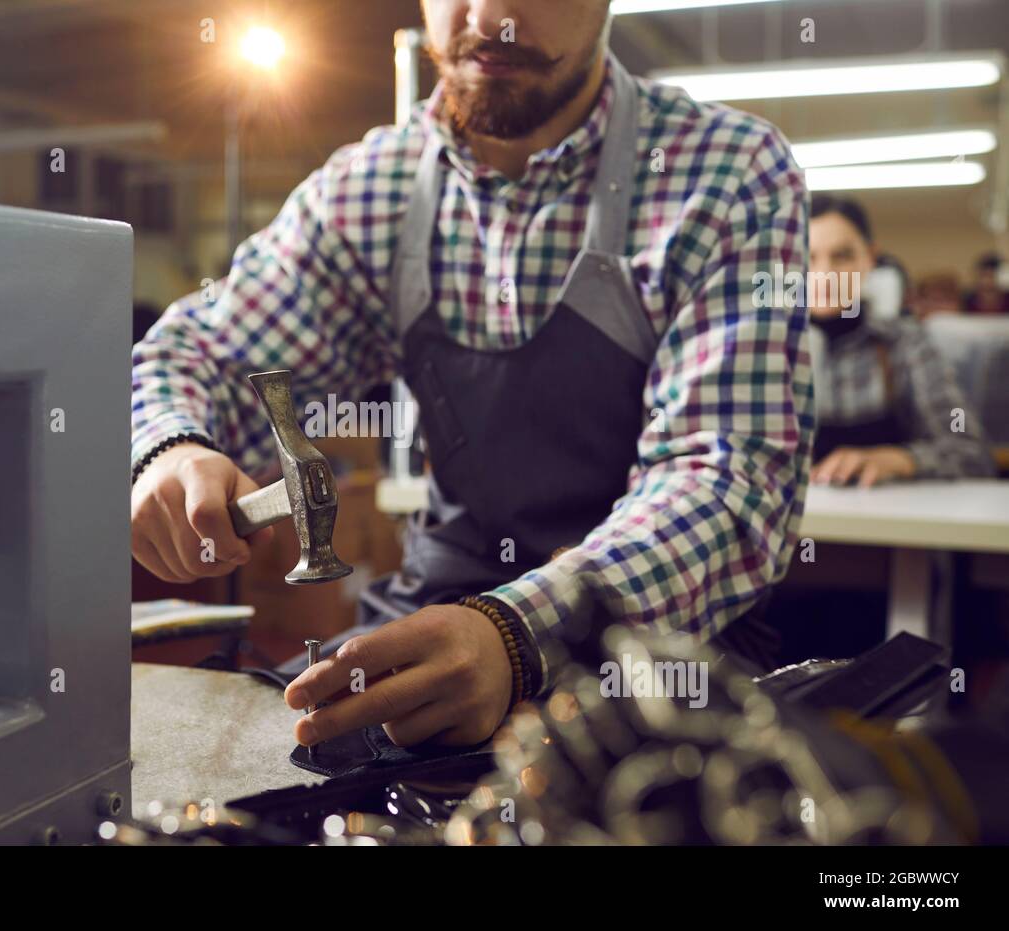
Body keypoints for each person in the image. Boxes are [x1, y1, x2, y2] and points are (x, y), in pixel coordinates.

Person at [131, 0, 814, 749]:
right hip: (434, 607)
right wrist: (170, 447)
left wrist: (514, 635)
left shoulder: (726, 174)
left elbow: (728, 484)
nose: (490, 16)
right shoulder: (372, 188)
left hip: (659, 657)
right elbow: (199, 355)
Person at [806, 194, 995, 486]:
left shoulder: (907, 343)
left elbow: (969, 450)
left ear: (870, 257)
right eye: (807, 257)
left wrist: (901, 459)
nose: (824, 274)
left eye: (842, 255)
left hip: (885, 525)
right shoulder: (763, 349)